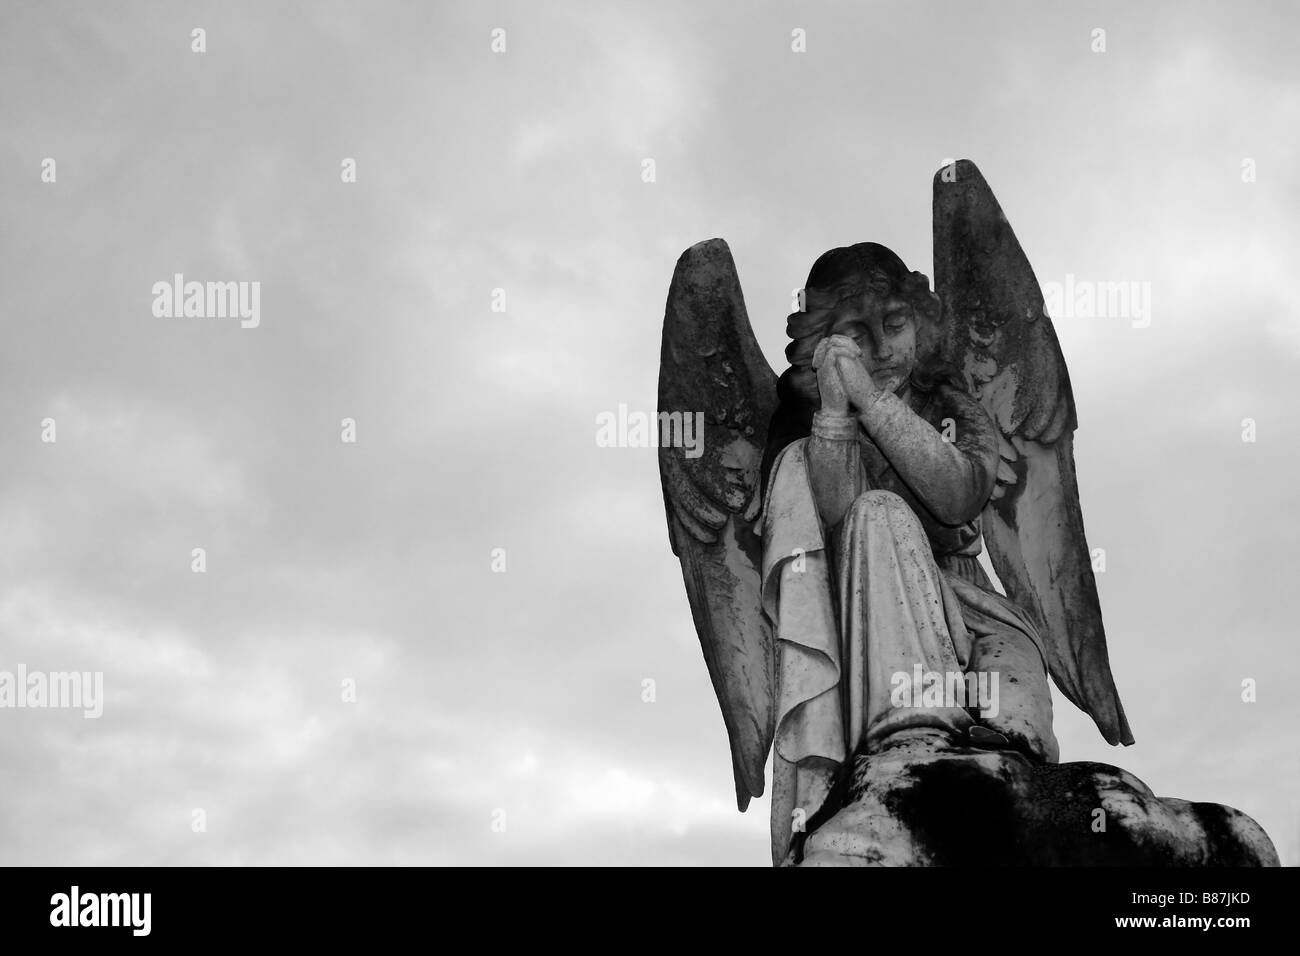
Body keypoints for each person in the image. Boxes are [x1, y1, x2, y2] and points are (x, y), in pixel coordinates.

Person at [758, 243, 1058, 862]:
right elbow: (837, 528)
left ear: (921, 324)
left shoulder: (946, 405)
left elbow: (958, 494)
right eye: (856, 336)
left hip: (967, 606)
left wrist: (875, 402)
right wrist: (838, 414)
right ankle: (909, 731)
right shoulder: (805, 430)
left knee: (1019, 725)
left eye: (894, 325)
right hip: (867, 625)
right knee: (877, 512)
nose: (883, 348)